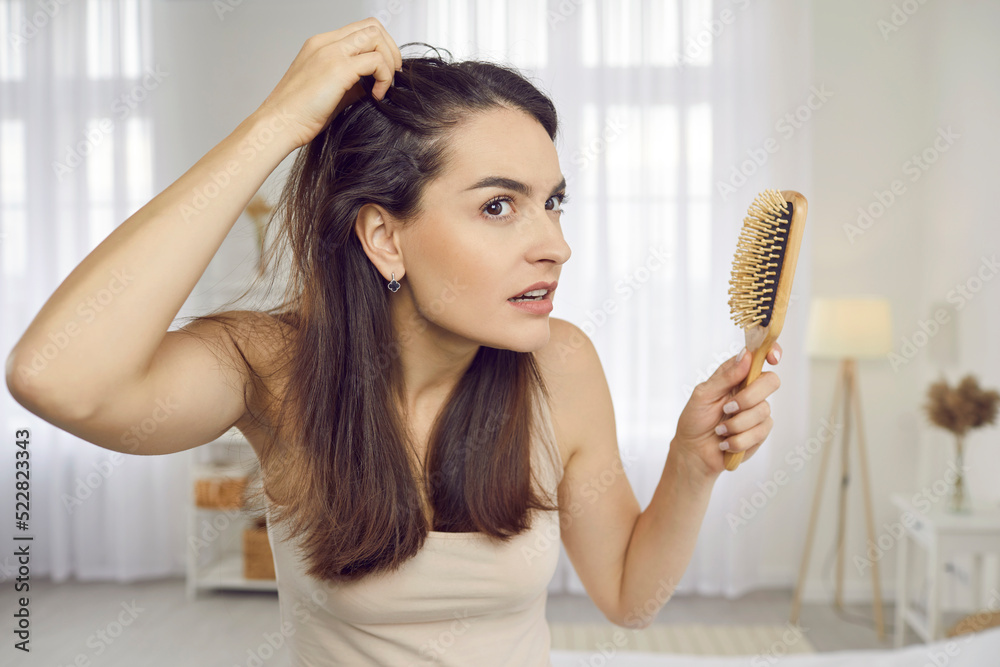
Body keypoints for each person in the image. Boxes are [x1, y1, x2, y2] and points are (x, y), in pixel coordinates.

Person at [5, 16, 781, 666]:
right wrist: (275, 124)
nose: (555, 246)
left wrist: (689, 464)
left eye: (553, 203)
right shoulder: (271, 367)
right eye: (499, 208)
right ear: (384, 236)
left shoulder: (560, 364)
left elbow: (628, 599)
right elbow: (55, 376)